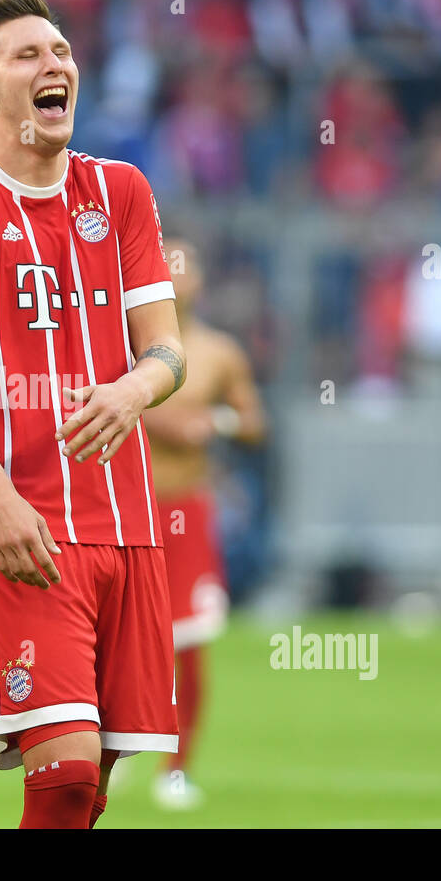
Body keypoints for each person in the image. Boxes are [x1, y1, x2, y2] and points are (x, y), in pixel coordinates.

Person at [0, 0, 186, 829]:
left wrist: (130, 390)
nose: (54, 65)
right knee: (60, 776)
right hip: (22, 524)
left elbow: (168, 352)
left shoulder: (122, 190)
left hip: (127, 524)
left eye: (61, 52)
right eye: (28, 55)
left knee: (90, 791)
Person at [142, 236, 266, 809]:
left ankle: (177, 768)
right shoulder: (121, 343)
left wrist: (210, 424)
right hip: (128, 506)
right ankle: (105, 749)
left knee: (188, 643)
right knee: (110, 640)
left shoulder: (219, 352)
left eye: (184, 269)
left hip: (187, 509)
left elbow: (253, 422)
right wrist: (163, 424)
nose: (175, 278)